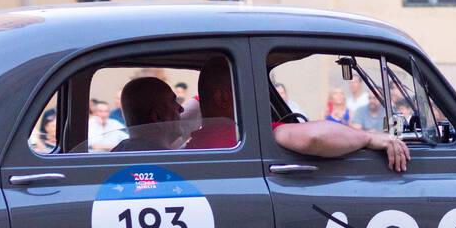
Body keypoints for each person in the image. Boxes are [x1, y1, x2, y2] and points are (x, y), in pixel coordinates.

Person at [190, 56, 409, 170]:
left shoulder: (193, 144)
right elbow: (315, 137)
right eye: (251, 86)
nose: (259, 94)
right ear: (223, 97)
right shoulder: (237, 135)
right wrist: (369, 138)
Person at [112, 77, 186, 152]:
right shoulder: (173, 161)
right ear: (158, 117)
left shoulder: (114, 157)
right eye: (173, 101)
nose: (181, 109)